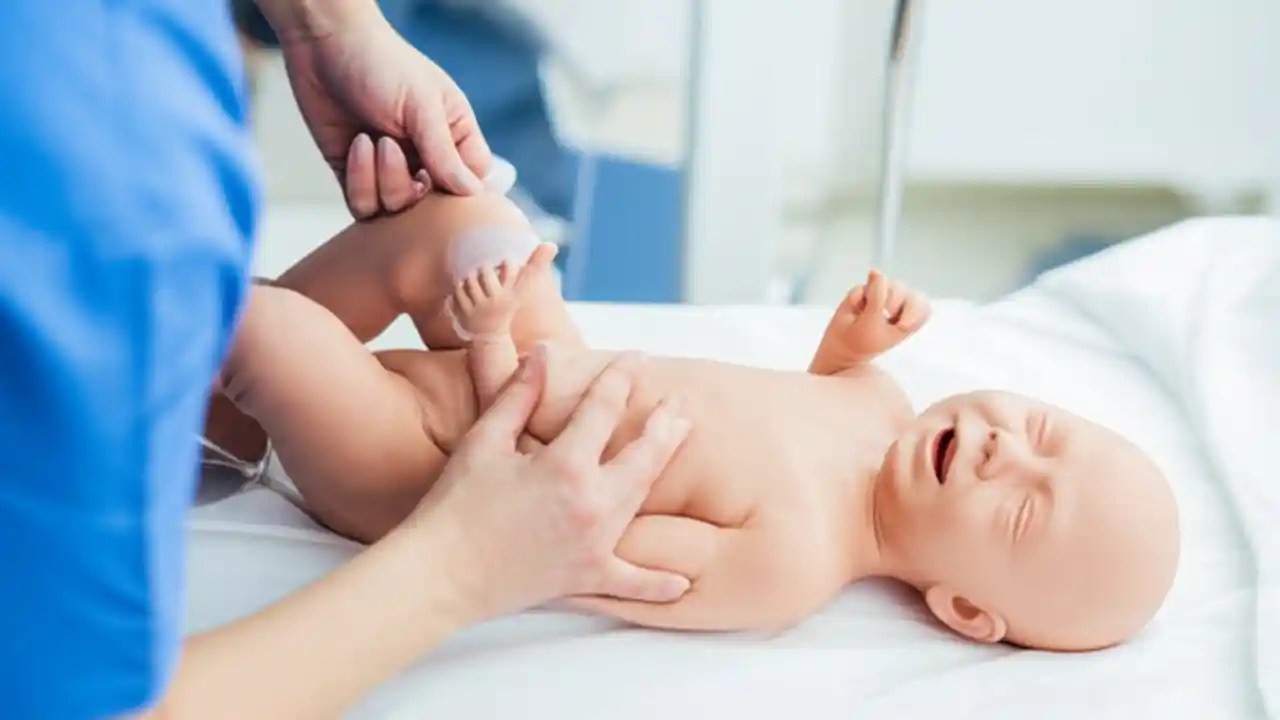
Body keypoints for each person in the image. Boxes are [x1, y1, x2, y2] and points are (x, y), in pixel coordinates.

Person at [0, 1, 690, 717]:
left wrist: (329, 23)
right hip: (429, 455)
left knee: (470, 227)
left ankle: (206, 410)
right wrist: (467, 563)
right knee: (269, 331)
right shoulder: (91, 176)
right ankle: (205, 407)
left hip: (484, 425)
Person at [209, 184, 1180, 651]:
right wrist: (846, 346)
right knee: (461, 222)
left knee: (275, 332)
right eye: (1038, 433)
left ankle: (168, 378)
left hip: (432, 472)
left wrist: (498, 347)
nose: (1001, 456)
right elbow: (788, 403)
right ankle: (226, 415)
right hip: (541, 370)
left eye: (1016, 510)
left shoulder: (784, 564)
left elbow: (554, 527)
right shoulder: (877, 402)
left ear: (962, 609)